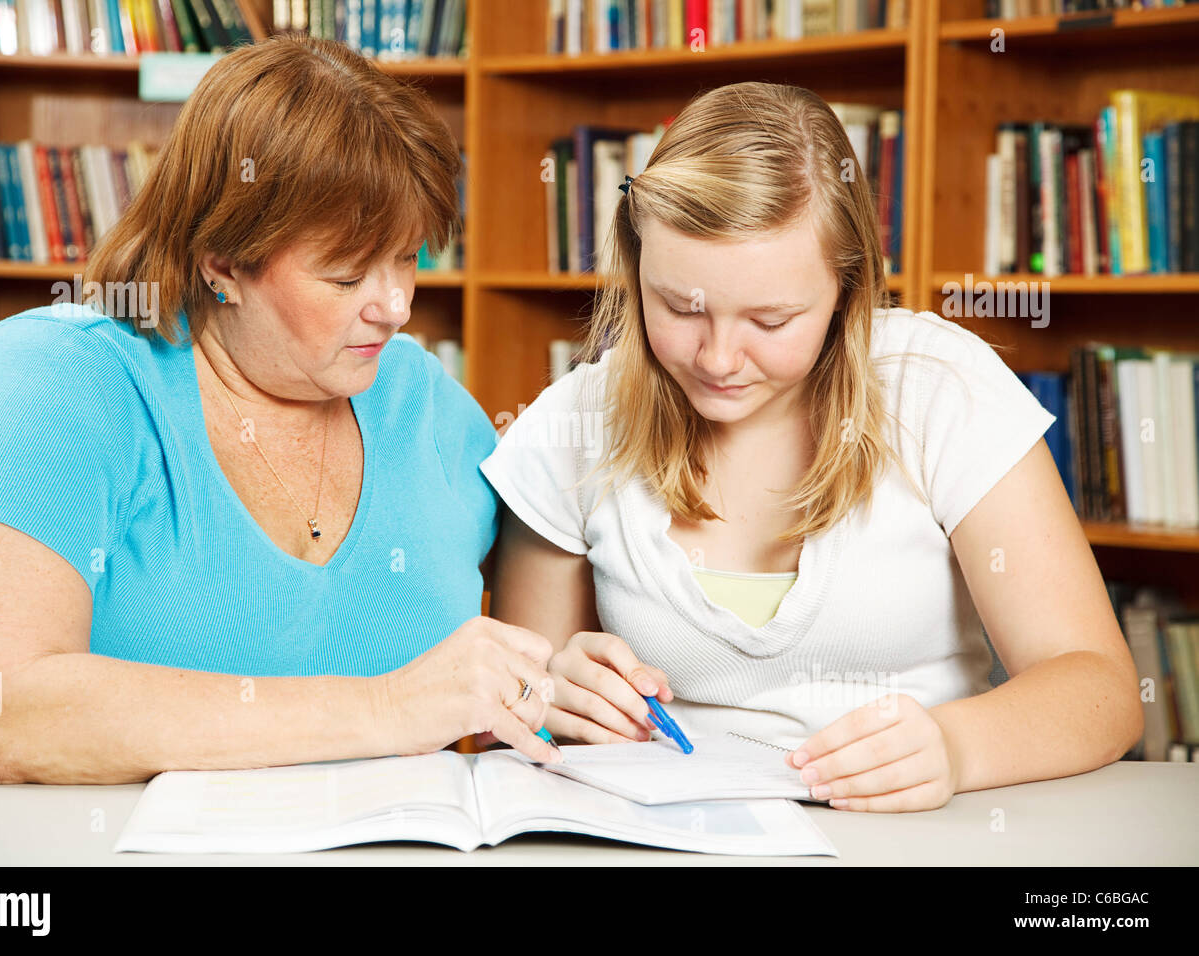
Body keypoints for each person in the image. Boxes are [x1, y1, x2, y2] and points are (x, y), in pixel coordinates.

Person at [0, 35, 559, 783]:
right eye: (345, 277)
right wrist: (386, 709)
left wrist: (567, 677)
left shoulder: (424, 401)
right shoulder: (52, 382)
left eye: (408, 257)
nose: (397, 307)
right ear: (222, 264)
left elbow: (530, 635)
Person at [483, 82, 1143, 812]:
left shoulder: (939, 390)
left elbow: (1101, 688)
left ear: (846, 288)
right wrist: (553, 697)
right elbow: (519, 712)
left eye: (771, 320)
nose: (719, 359)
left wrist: (956, 747)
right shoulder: (574, 424)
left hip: (913, 838)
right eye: (679, 307)